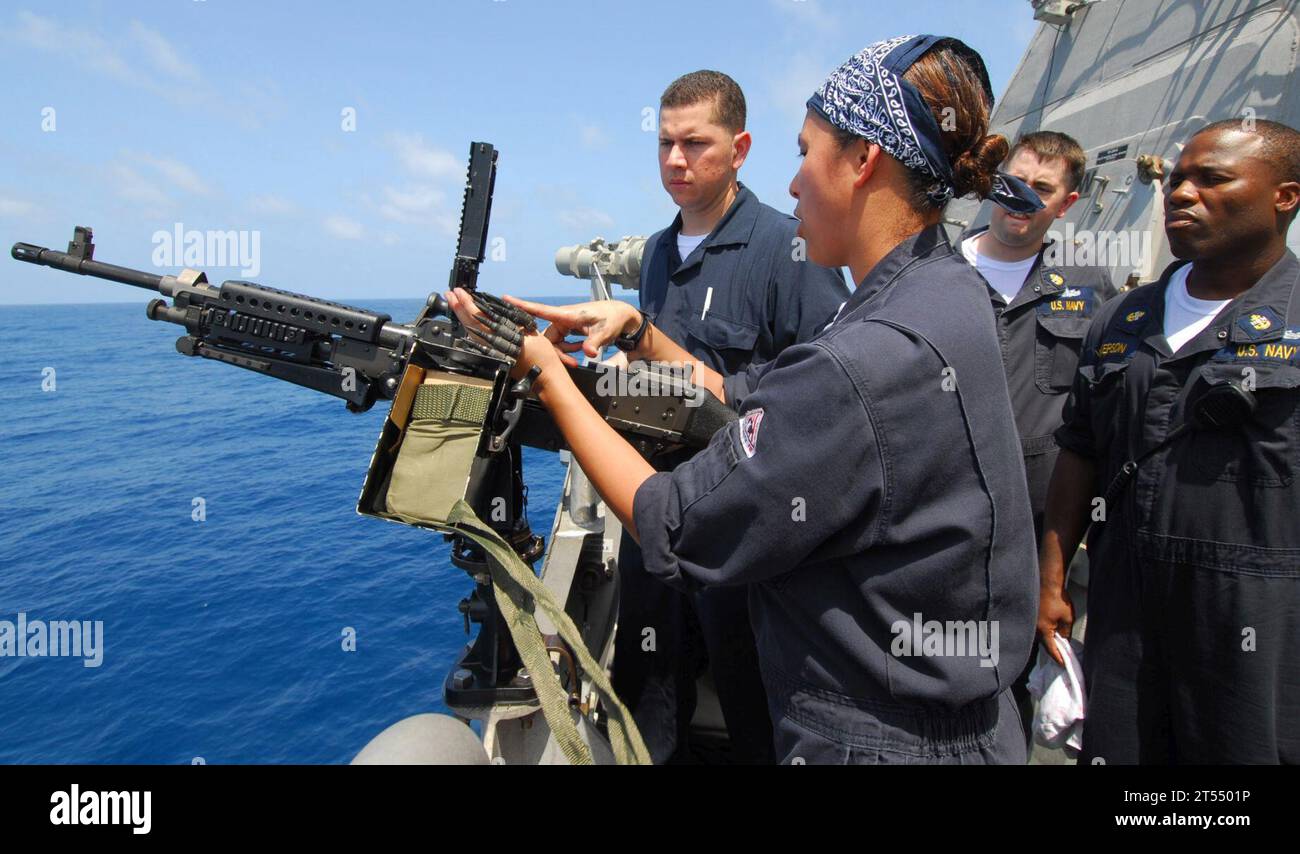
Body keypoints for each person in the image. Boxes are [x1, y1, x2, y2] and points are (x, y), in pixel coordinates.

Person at [450, 34, 1042, 763]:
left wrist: (546, 376)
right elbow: (753, 389)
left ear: (863, 162)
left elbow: (673, 523)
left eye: (806, 152)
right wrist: (639, 332)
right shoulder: (948, 290)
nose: (794, 185)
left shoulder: (861, 357)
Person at [1037, 118, 1300, 764]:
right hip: (1127, 615)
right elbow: (1081, 451)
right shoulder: (1121, 321)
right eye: (1177, 180)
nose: (1181, 194)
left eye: (1212, 180)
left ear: (1284, 197)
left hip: (1257, 621)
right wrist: (1051, 582)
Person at [613, 70, 849, 764]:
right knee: (650, 690)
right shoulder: (657, 253)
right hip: (654, 506)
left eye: (696, 143)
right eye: (664, 144)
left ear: (740, 148)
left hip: (745, 529)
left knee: (754, 701)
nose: (675, 161)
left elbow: (823, 385)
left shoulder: (787, 249)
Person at [958, 130, 1117, 738]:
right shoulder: (939, 272)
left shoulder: (1088, 287)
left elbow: (1098, 412)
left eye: (1041, 189)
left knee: (1011, 689)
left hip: (1035, 532)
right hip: (945, 519)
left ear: (1066, 204)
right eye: (1011, 181)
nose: (1020, 196)